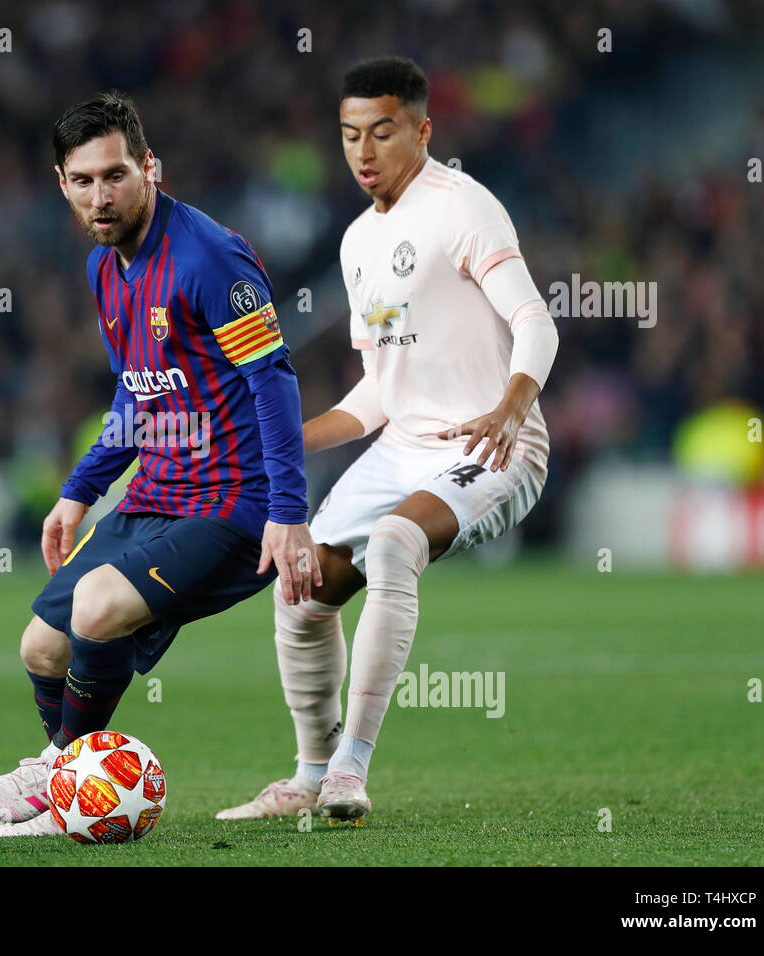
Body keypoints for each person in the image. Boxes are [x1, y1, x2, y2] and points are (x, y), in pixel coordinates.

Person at [217, 56, 558, 824]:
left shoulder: (464, 207)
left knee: (398, 540)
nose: (363, 153)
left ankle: (350, 771)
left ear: (422, 130)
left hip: (493, 444)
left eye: (382, 132)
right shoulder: (355, 244)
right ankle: (308, 773)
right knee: (301, 589)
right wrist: (290, 438)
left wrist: (512, 403)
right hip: (404, 444)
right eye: (349, 136)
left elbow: (536, 320)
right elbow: (378, 391)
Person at [0, 92, 320, 836]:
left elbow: (274, 380)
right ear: (61, 185)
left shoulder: (210, 256)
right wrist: (78, 492)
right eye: (83, 181)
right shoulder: (105, 270)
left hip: (233, 503)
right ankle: (68, 782)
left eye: (116, 175)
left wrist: (289, 514)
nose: (101, 196)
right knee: (40, 643)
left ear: (150, 169)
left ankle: (61, 775)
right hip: (156, 490)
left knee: (97, 607)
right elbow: (140, 395)